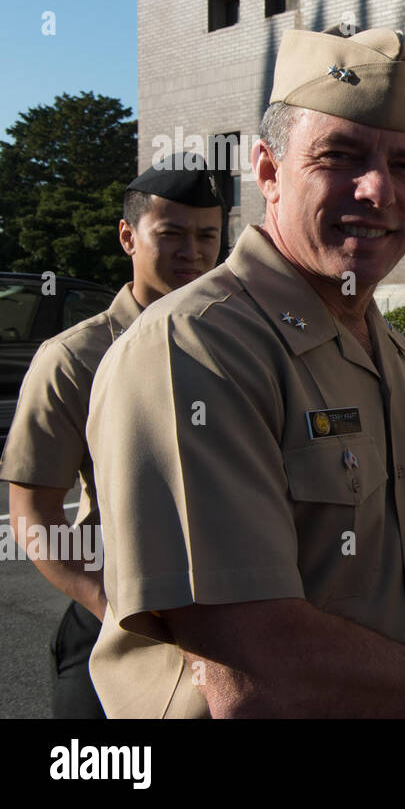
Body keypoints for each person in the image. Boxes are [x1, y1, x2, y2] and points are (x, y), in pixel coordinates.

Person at [86, 25, 405, 718]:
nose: (380, 190)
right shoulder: (195, 351)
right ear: (267, 171)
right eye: (342, 156)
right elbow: (255, 670)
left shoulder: (391, 350)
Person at [0, 159, 224, 717]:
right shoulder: (74, 359)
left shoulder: (244, 349)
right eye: (170, 233)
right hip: (116, 623)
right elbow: (33, 509)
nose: (192, 252)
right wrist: (112, 605)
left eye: (207, 236)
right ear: (128, 235)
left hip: (233, 623)